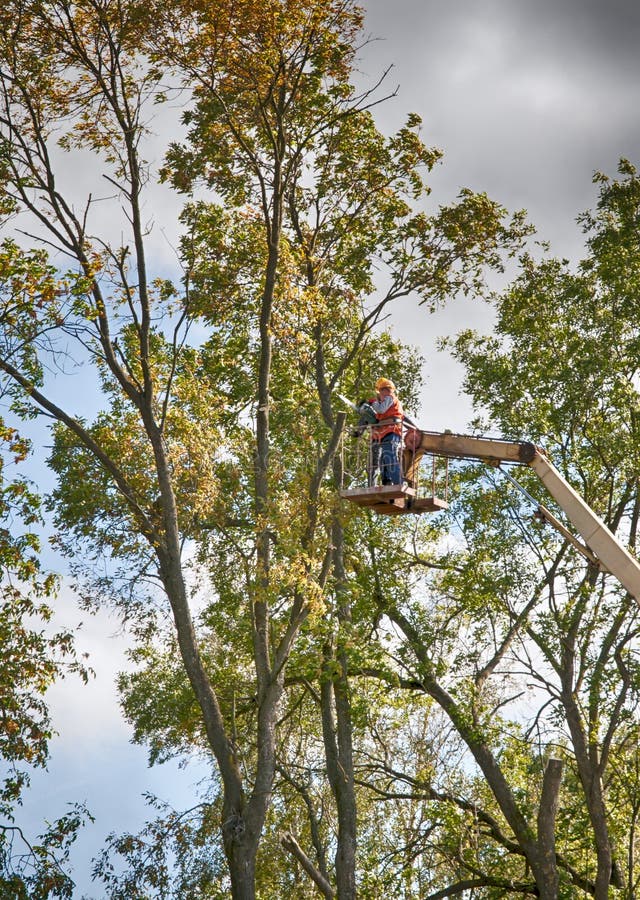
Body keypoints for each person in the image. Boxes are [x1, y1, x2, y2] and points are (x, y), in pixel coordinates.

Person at [359, 377, 404, 486]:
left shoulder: (389, 397)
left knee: (390, 458)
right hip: (384, 433)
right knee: (384, 459)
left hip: (391, 431)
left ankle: (399, 483)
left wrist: (373, 402)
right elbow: (378, 415)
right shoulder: (385, 401)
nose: (380, 394)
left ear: (387, 389)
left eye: (381, 391)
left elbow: (381, 409)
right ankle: (387, 482)